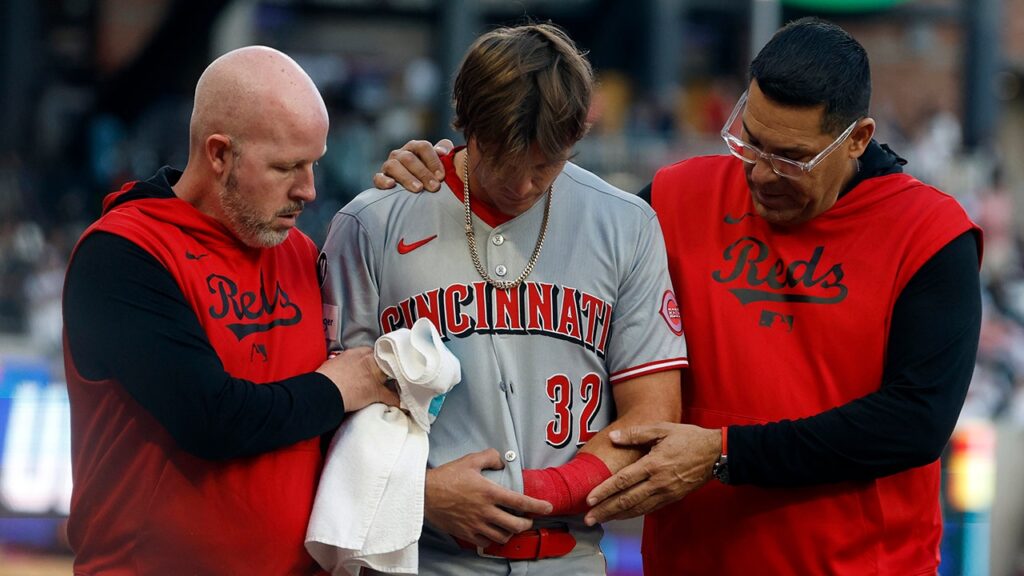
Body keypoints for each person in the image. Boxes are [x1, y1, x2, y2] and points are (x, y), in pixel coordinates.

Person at [374, 17, 983, 576]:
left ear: (858, 139)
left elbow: (915, 422)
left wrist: (726, 453)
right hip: (691, 561)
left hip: (864, 566)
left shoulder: (930, 234)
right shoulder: (674, 196)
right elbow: (529, 221)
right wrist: (444, 171)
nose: (762, 173)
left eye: (793, 159)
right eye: (751, 142)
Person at [321, 23, 686, 575]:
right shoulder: (369, 223)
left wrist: (543, 491)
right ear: (462, 123)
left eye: (545, 165)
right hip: (419, 558)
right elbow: (329, 414)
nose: (521, 186)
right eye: (500, 158)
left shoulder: (626, 223)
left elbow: (654, 415)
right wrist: (420, 495)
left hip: (573, 557)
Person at [62, 46, 398, 575]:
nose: (309, 190)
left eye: (314, 163)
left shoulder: (301, 253)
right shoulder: (123, 253)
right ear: (219, 154)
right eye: (286, 166)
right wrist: (339, 387)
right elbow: (209, 418)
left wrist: (434, 185)